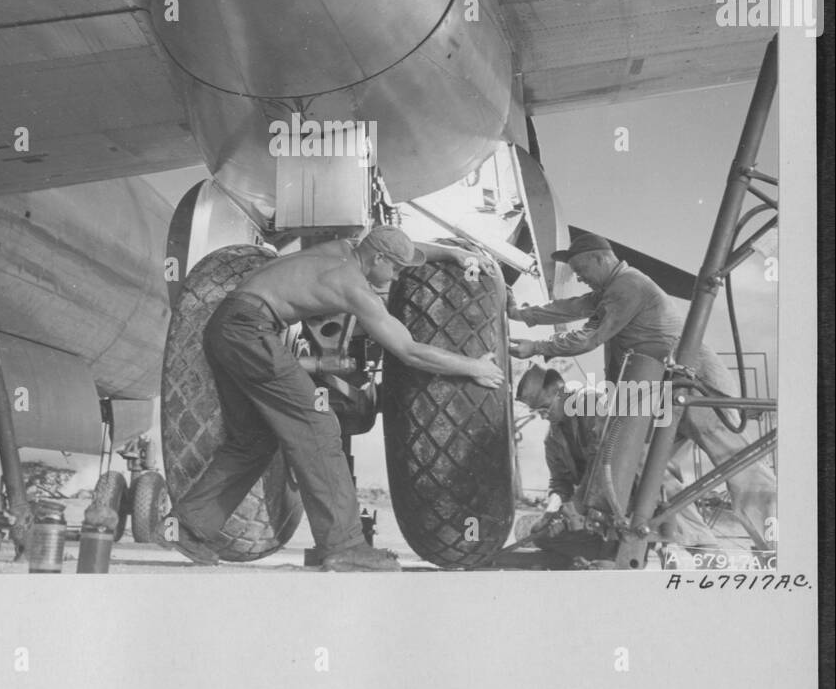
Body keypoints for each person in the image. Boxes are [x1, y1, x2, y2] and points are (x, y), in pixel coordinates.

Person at [173, 226, 504, 571]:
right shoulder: (353, 288)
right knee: (318, 424)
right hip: (250, 333)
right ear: (378, 259)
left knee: (253, 440)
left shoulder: (345, 249)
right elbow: (409, 351)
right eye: (396, 269)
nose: (398, 277)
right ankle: (344, 546)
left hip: (224, 329)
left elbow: (402, 248)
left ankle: (187, 526)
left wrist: (451, 253)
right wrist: (472, 367)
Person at [507, 233, 775, 548]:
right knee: (650, 470)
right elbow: (571, 307)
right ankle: (698, 545)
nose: (579, 277)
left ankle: (778, 541)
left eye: (581, 270)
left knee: (737, 463)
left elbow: (590, 337)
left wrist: (537, 346)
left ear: (601, 259)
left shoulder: (628, 287)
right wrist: (521, 315)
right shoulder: (609, 290)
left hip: (696, 387)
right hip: (662, 394)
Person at [516, 364, 732, 563]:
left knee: (653, 479)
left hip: (634, 481)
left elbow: (601, 460)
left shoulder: (593, 405)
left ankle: (707, 552)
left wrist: (575, 507)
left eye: (545, 408)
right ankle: (613, 554)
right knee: (542, 537)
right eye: (538, 413)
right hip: (601, 503)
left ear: (560, 391)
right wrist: (550, 512)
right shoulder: (552, 439)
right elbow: (559, 483)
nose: (544, 417)